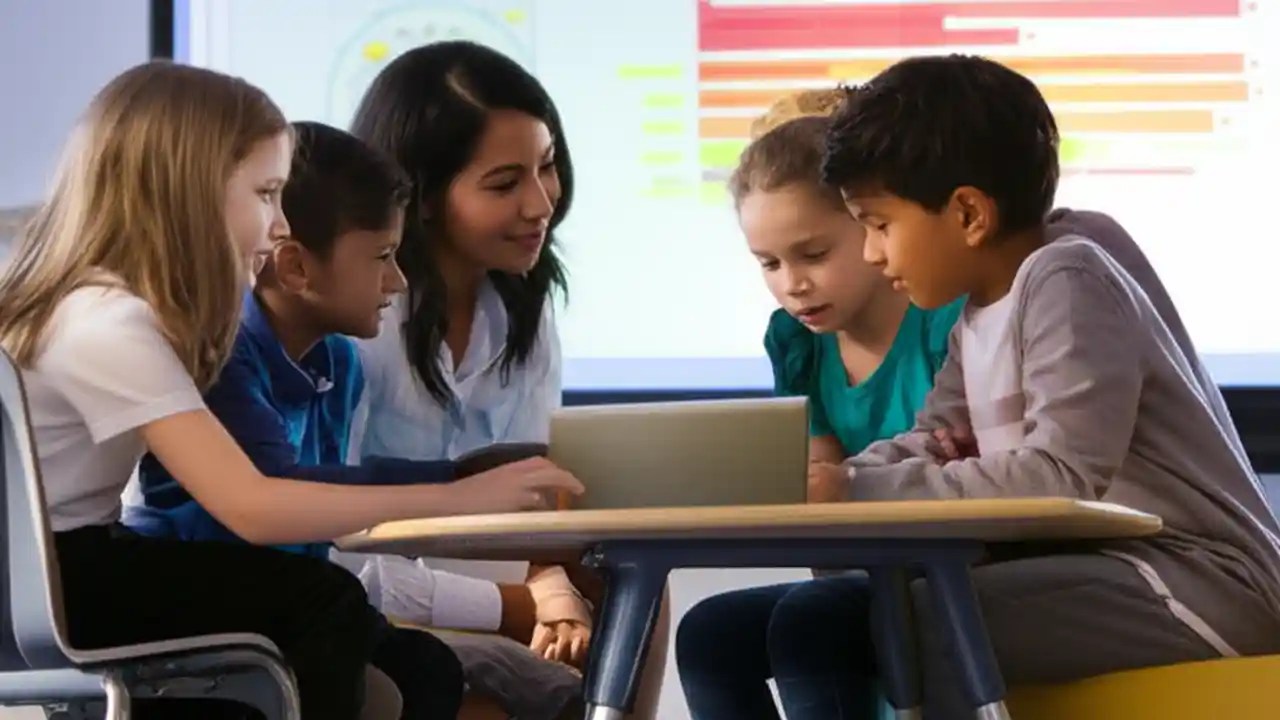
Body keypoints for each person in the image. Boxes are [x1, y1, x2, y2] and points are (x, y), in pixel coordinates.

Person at [0, 61, 581, 720]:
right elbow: (252, 505)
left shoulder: (96, 304)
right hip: (48, 578)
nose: (279, 226)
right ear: (190, 191)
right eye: (266, 193)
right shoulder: (111, 320)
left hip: (61, 565)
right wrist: (459, 496)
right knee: (319, 601)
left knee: (393, 650)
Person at [804, 54, 1280, 718]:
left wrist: (855, 491)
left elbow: (1060, 473)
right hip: (1114, 573)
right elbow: (923, 442)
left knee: (905, 621)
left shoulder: (1066, 277)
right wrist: (833, 484)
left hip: (1200, 582)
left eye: (880, 225)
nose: (872, 253)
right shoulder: (974, 315)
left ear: (969, 213)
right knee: (763, 627)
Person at [123, 120, 512, 718]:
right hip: (198, 594)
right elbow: (285, 489)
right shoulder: (220, 360)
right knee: (333, 605)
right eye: (382, 257)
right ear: (296, 268)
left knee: (426, 667)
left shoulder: (340, 362)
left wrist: (465, 473)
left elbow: (332, 479)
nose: (397, 282)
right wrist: (456, 489)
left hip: (287, 592)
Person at [675, 91, 960, 720]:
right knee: (708, 633)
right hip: (859, 577)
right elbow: (821, 513)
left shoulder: (942, 324)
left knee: (812, 621)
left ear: (871, 223)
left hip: (951, 573)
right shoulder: (797, 345)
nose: (791, 284)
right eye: (769, 263)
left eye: (813, 254)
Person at [342, 41, 594, 719]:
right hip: (376, 603)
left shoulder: (523, 315)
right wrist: (515, 605)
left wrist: (552, 585)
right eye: (504, 183)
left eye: (547, 168)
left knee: (621, 584)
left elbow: (535, 507)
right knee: (476, 696)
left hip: (490, 588)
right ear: (421, 197)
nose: (542, 203)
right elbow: (334, 554)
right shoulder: (357, 327)